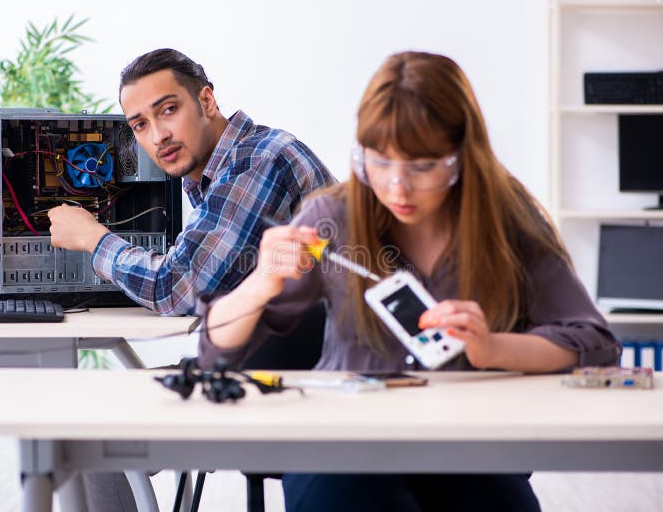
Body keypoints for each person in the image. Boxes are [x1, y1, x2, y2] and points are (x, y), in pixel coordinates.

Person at [198, 51, 620, 512]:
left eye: (421, 167)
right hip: (341, 444)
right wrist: (260, 282)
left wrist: (494, 348)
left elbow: (595, 343)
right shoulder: (331, 218)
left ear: (463, 156)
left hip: (469, 443)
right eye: (379, 162)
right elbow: (215, 351)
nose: (397, 187)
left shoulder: (507, 221)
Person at [49, 48, 336, 316]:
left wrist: (91, 237)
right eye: (140, 125)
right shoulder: (218, 171)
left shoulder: (258, 159)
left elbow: (176, 289)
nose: (158, 136)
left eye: (169, 110)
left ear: (206, 101)